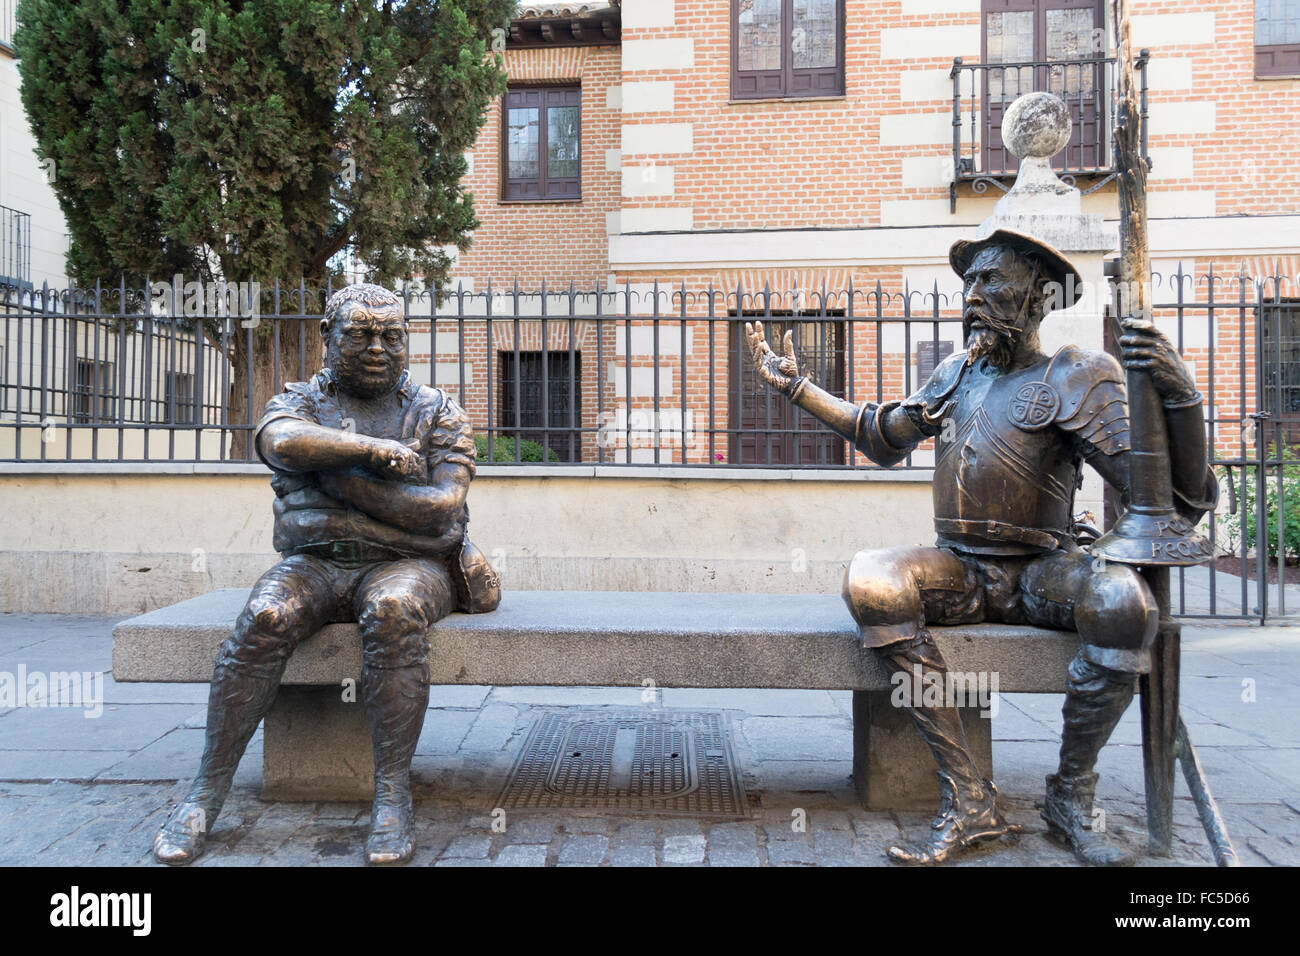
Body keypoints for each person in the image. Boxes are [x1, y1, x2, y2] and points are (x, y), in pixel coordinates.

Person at [747, 229, 1216, 865]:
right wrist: (801, 391)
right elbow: (882, 436)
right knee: (872, 580)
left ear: (1038, 296)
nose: (973, 295)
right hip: (960, 569)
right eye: (969, 282)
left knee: (1124, 603)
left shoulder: (1076, 375)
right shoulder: (956, 373)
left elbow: (1174, 498)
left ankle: (1070, 797)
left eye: (991, 280)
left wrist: (1180, 395)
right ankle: (970, 798)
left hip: (1044, 570)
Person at [153, 282, 500, 866]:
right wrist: (370, 454)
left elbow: (441, 513)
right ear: (327, 336)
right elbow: (280, 441)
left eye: (391, 336)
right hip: (315, 565)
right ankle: (205, 793)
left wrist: (334, 484)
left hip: (408, 568)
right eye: (361, 334)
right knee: (265, 616)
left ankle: (392, 796)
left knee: (392, 610)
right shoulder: (299, 400)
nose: (377, 348)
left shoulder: (439, 411)